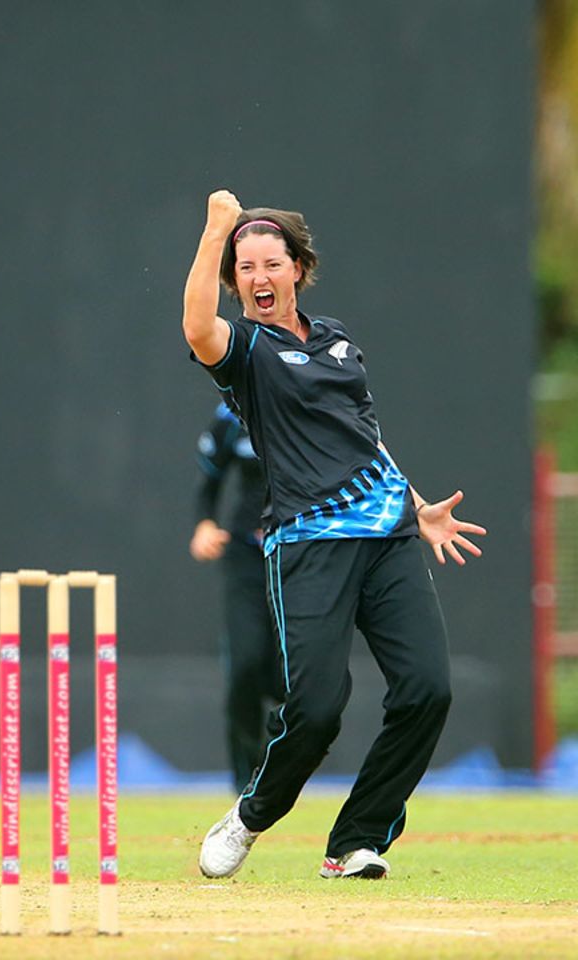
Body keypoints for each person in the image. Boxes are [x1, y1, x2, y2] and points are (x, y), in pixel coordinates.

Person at [183, 189, 485, 881]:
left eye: (270, 263)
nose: (258, 278)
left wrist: (415, 505)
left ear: (297, 268)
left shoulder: (339, 342)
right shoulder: (247, 350)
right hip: (309, 544)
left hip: (388, 538)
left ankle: (356, 838)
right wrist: (214, 233)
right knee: (317, 710)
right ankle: (251, 816)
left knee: (427, 690)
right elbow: (199, 328)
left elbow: (361, 441)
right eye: (245, 267)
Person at [189, 402, 281, 794]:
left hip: (301, 558)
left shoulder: (312, 401)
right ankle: (246, 785)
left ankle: (284, 763)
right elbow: (208, 485)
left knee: (286, 678)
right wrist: (204, 525)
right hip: (245, 556)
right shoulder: (231, 416)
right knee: (244, 664)